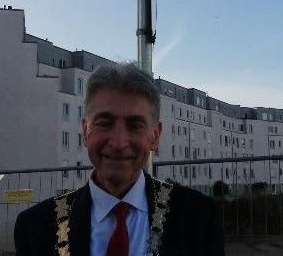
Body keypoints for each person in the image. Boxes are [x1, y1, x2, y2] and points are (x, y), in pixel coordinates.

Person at [14, 63, 225, 256]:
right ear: (85, 132)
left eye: (135, 125)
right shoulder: (36, 227)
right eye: (105, 123)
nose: (118, 142)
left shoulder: (199, 218)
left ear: (156, 136)